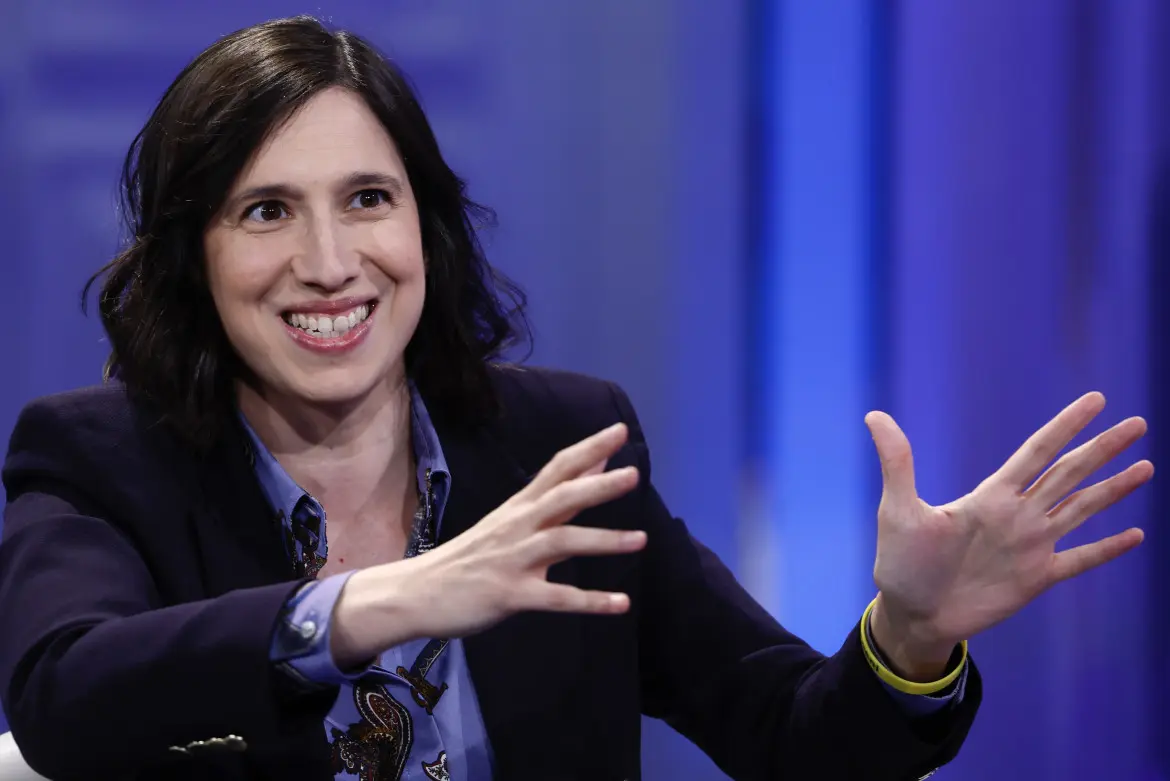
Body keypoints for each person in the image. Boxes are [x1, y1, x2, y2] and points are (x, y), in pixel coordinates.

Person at [0, 16, 1152, 781]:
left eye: (367, 199)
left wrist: (910, 633)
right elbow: (61, 694)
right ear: (191, 259)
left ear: (427, 228)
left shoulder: (558, 447)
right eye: (266, 212)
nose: (330, 263)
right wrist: (374, 602)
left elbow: (795, 738)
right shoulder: (99, 459)